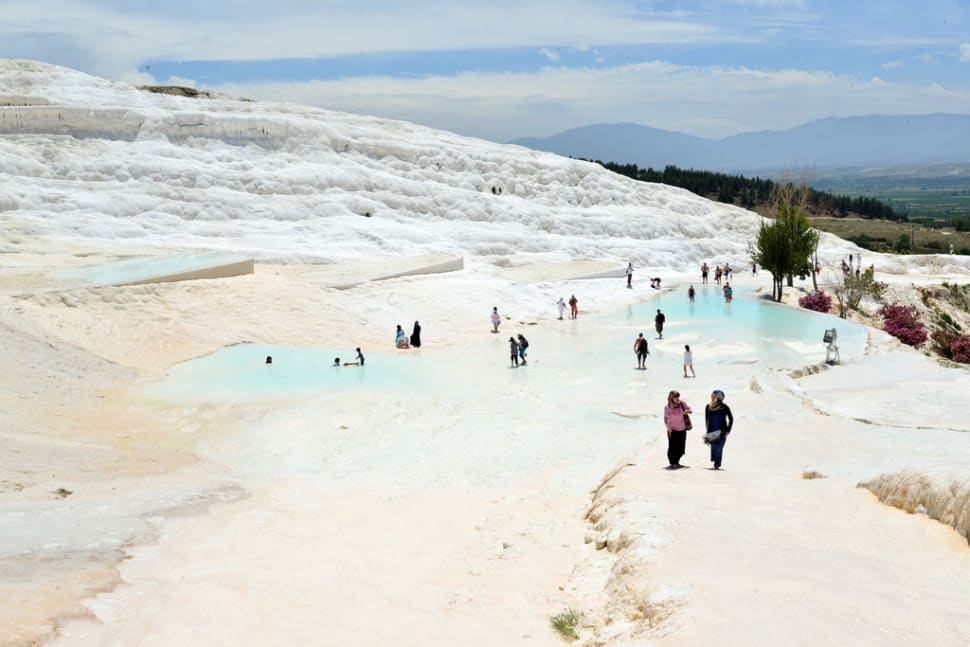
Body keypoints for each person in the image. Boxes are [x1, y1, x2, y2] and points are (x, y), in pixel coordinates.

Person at [705, 389, 734, 469]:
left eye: (714, 396)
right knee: (714, 447)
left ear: (719, 397)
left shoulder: (724, 407)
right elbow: (707, 420)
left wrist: (728, 430)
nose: (712, 397)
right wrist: (707, 432)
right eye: (711, 396)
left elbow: (731, 419)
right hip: (712, 430)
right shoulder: (708, 406)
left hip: (722, 431)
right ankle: (715, 460)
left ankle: (717, 464)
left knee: (719, 448)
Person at [663, 390, 692, 468]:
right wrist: (667, 427)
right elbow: (665, 418)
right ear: (671, 397)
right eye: (675, 397)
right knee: (672, 447)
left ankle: (676, 461)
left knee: (681, 449)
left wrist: (687, 411)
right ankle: (673, 462)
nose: (677, 398)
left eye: (678, 396)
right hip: (672, 429)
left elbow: (690, 409)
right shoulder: (667, 407)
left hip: (682, 429)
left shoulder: (682, 403)